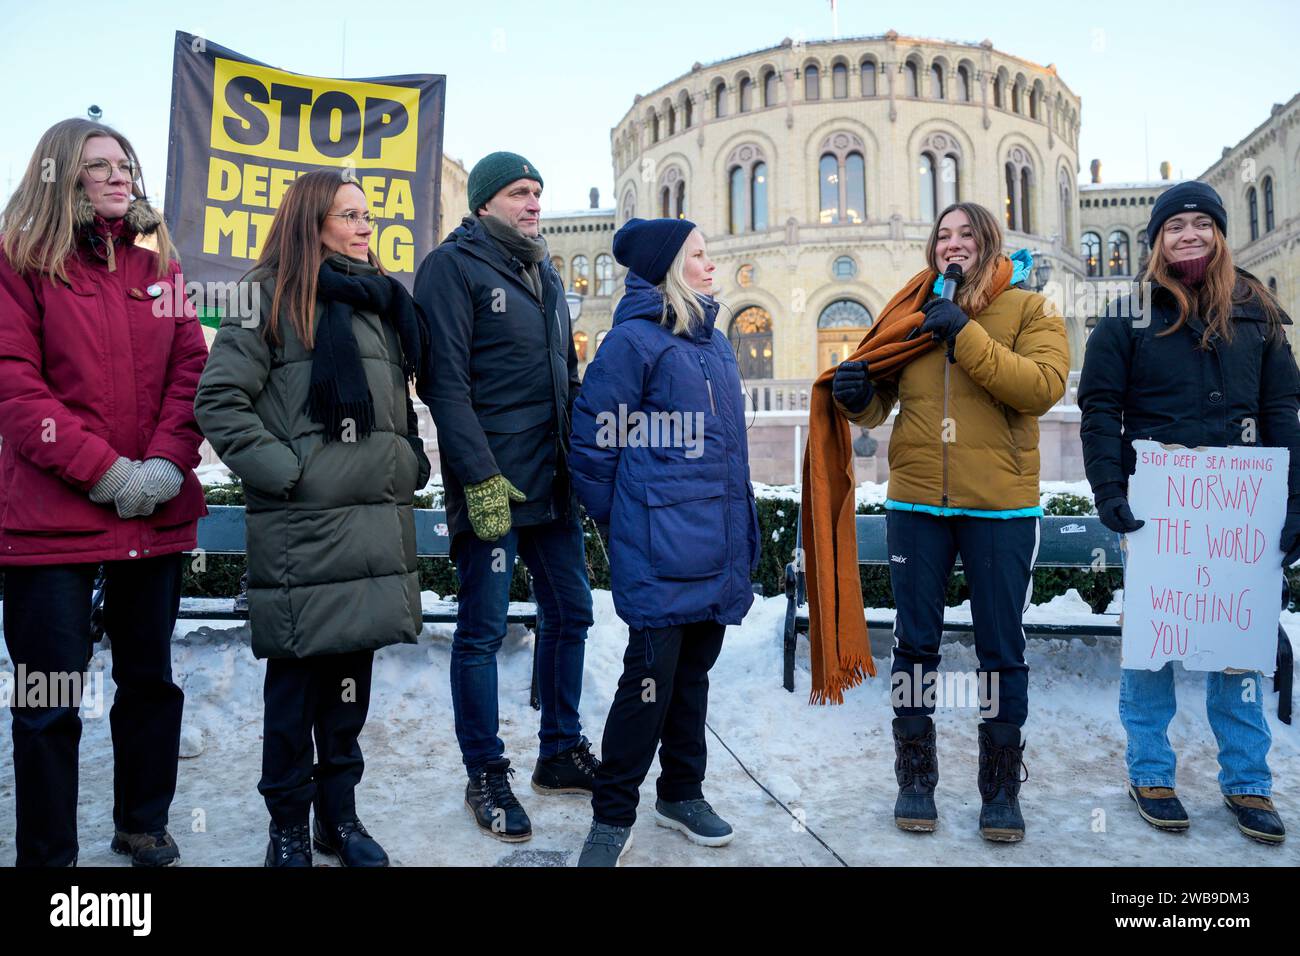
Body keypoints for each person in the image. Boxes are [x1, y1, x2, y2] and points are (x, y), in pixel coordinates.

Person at [194, 168, 430, 866]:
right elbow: (219, 403)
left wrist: (409, 461)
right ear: (311, 223)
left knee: (349, 693)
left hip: (371, 531)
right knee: (295, 693)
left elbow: (399, 409)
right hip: (304, 532)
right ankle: (288, 826)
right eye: (350, 216)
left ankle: (341, 820)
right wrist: (286, 474)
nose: (366, 228)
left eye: (368, 216)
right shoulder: (262, 297)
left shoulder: (383, 303)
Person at [0, 118, 208, 867]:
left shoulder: (160, 261)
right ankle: (49, 858)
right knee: (50, 701)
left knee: (148, 682)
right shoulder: (19, 261)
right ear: (59, 175)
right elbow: (16, 389)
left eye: (125, 164)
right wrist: (105, 471)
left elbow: (193, 373)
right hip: (52, 521)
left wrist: (164, 464)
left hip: (152, 514)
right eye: (98, 166)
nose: (120, 176)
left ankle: (142, 822)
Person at [829, 202, 1069, 841]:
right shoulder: (913, 308)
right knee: (914, 648)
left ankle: (999, 789)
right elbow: (883, 402)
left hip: (999, 508)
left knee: (999, 650)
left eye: (966, 234)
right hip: (915, 506)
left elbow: (1040, 387)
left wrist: (962, 332)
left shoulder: (1030, 308)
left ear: (990, 242)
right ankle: (914, 777)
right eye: (942, 235)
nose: (952, 244)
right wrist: (861, 399)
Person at [1078, 180, 1297, 845]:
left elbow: (1284, 412)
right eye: (1176, 226)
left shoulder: (1258, 310)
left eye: (1203, 223)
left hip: (1241, 512)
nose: (1190, 235)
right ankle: (1150, 772)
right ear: (1157, 241)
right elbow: (1099, 411)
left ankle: (1248, 782)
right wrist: (1111, 492)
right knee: (1152, 648)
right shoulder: (1127, 317)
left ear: (1220, 233)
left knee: (1240, 649)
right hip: (1159, 509)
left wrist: (1294, 501)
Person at [413, 152, 595, 843]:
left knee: (572, 613)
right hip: (492, 486)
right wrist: (478, 476)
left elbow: (565, 378)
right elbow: (444, 385)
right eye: (520, 192)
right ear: (486, 201)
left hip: (551, 483)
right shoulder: (450, 268)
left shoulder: (544, 270)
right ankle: (485, 772)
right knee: (484, 633)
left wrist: (585, 457)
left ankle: (559, 749)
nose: (534, 203)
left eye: (539, 192)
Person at [568, 218, 760, 866]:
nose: (712, 265)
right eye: (700, 256)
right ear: (671, 268)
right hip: (661, 548)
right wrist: (627, 521)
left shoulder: (714, 343)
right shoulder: (633, 343)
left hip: (713, 543)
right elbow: (593, 447)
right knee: (646, 684)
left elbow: (727, 453)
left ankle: (682, 793)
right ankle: (611, 815)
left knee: (692, 678)